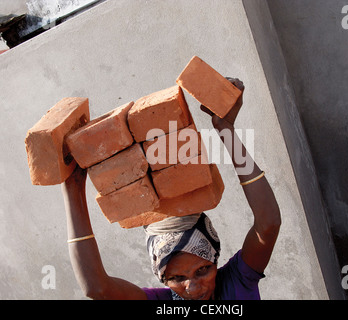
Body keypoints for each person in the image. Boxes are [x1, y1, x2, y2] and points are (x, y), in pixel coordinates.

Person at [62, 78, 281, 300]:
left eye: (203, 270)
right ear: (162, 278)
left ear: (214, 257)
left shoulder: (237, 282)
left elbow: (268, 224)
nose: (194, 289)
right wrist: (73, 189)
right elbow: (96, 289)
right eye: (176, 278)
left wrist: (226, 130)